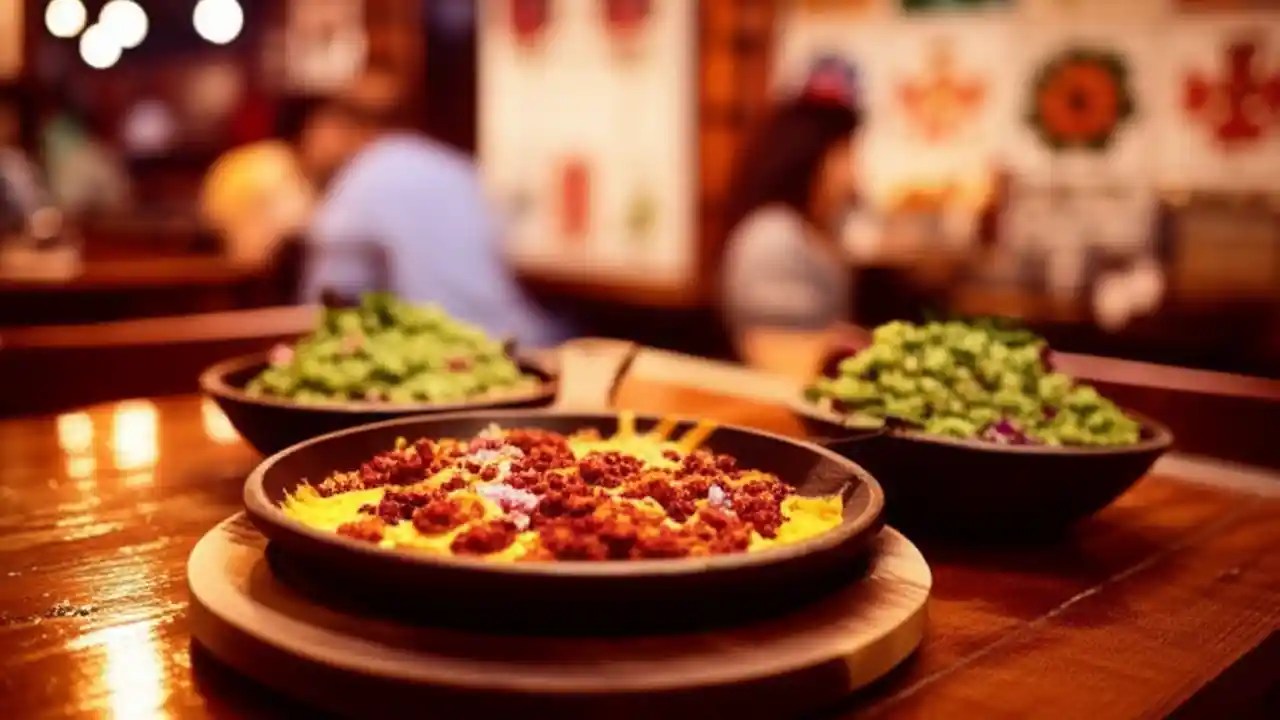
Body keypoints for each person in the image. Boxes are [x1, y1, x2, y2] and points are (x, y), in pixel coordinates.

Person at [291, 71, 569, 348]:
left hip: (438, 360)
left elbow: (326, 310)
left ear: (340, 127)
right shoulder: (456, 167)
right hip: (519, 343)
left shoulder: (359, 179)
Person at [720, 57, 866, 375]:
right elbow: (779, 357)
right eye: (847, 154)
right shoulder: (773, 238)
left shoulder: (814, 231)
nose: (855, 172)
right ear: (811, 158)